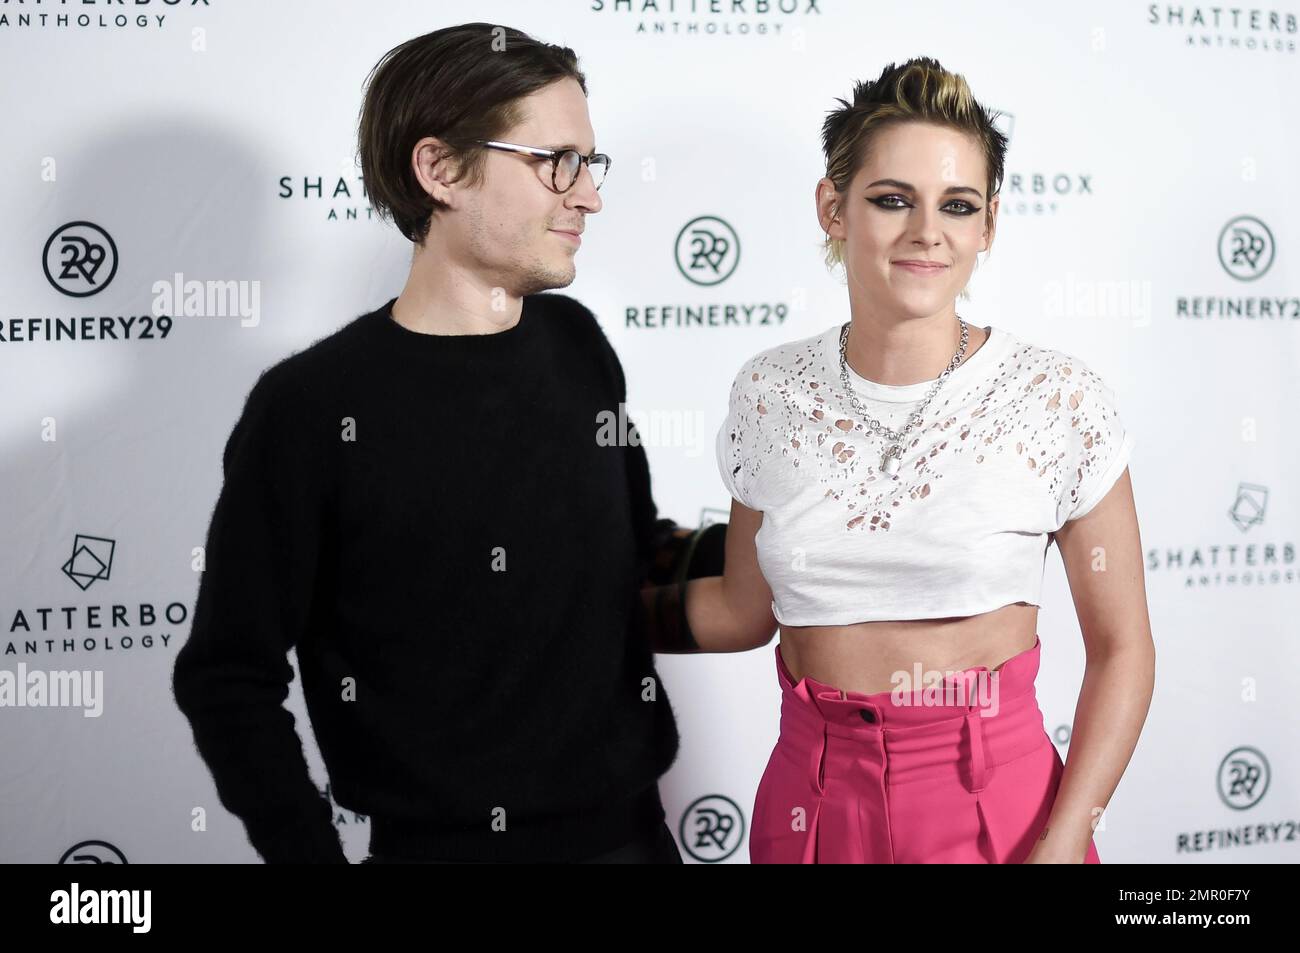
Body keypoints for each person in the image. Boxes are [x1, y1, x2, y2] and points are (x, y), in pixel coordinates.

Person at [171, 22, 723, 864]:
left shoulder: (577, 346)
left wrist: (782, 542)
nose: (589, 195)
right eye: (555, 162)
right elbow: (227, 674)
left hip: (640, 841)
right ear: (439, 171)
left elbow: (634, 558)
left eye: (591, 163)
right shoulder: (311, 408)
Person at [661, 57, 1156, 863]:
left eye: (957, 206)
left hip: (1003, 809)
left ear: (987, 225)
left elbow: (1124, 647)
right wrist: (576, 602)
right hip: (809, 805)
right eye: (893, 199)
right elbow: (742, 610)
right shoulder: (768, 392)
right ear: (833, 208)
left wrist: (1067, 837)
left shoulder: (1060, 398)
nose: (928, 231)